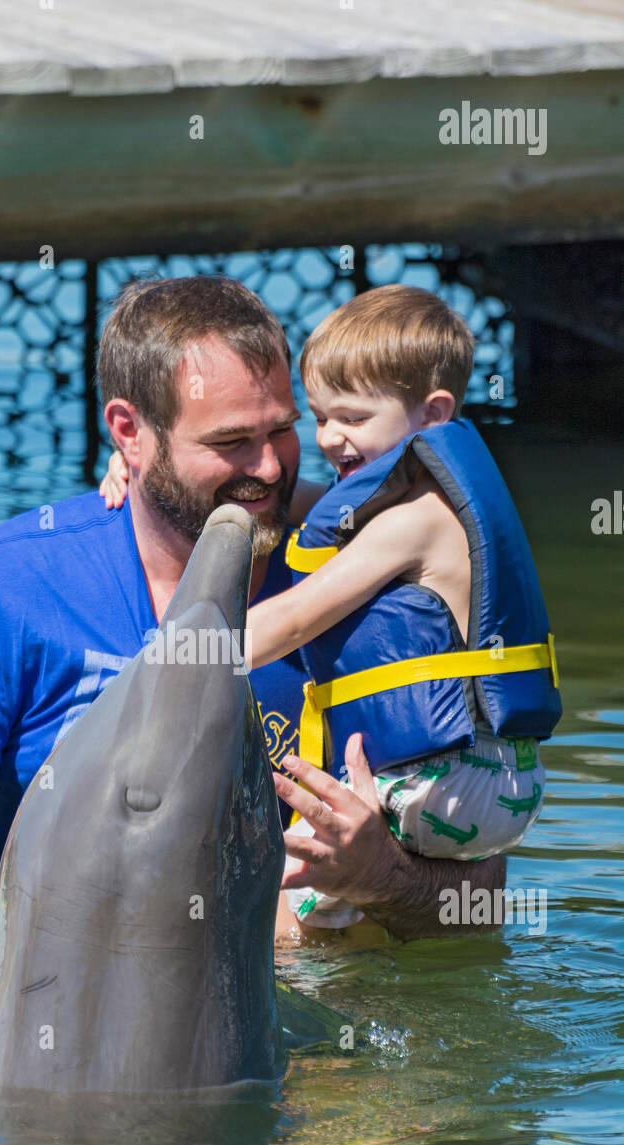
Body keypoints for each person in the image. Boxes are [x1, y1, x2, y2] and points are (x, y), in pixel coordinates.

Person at [0, 276, 507, 1000]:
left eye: (281, 429)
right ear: (129, 432)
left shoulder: (363, 594)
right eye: (230, 442)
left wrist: (379, 876)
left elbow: (478, 895)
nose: (268, 468)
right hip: (34, 991)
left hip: (288, 1011)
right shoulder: (6, 587)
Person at [101, 284, 561, 933]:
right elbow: (271, 498)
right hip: (495, 780)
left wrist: (167, 661)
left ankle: (306, 1016)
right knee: (349, 928)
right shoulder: (413, 500)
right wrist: (140, 464)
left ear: (432, 414)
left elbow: (291, 620)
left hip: (454, 784)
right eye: (315, 417)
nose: (327, 438)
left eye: (350, 418)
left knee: (285, 913)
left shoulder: (416, 525)